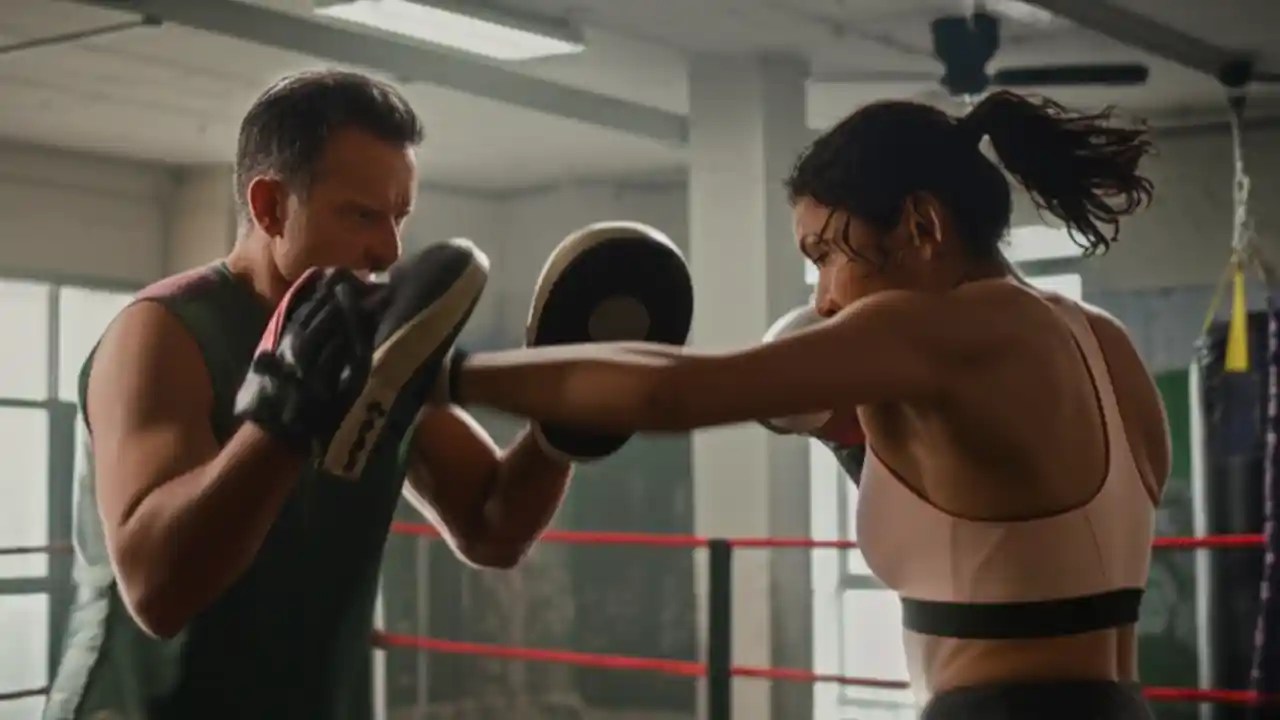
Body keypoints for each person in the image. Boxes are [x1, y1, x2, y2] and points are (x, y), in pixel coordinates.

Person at [442, 91, 1168, 719]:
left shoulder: (931, 328)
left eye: (825, 254)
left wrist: (447, 374)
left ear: (921, 226)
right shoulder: (1107, 347)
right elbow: (1008, 539)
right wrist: (857, 446)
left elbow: (671, 392)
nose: (822, 297)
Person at [44, 70, 573, 720]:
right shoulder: (163, 334)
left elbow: (492, 526)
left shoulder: (374, 342)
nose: (388, 247)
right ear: (269, 206)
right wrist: (285, 415)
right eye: (361, 214)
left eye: (398, 217)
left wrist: (560, 430)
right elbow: (158, 591)